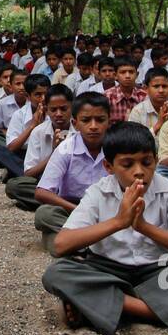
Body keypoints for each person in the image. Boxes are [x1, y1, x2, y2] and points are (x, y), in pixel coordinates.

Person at [42, 122, 168, 335]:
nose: (139, 171)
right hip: (105, 271)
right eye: (127, 164)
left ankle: (107, 306)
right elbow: (61, 244)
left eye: (146, 162)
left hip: (155, 272)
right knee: (57, 273)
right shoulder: (98, 192)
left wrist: (143, 227)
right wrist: (118, 222)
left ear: (156, 161)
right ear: (108, 167)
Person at [33, 93, 111, 254]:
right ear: (75, 124)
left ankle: (78, 243)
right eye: (86, 120)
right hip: (71, 207)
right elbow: (42, 192)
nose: (94, 126)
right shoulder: (66, 148)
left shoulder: (116, 148)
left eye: (100, 120)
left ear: (109, 121)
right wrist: (77, 209)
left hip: (106, 208)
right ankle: (95, 241)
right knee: (44, 214)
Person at [6, 84, 72, 211]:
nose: (58, 114)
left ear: (72, 108)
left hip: (74, 185)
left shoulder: (80, 131)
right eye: (53, 110)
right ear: (46, 110)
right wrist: (54, 153)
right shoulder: (38, 132)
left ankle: (52, 203)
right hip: (46, 185)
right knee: (15, 185)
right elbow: (29, 174)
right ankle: (61, 204)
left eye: (63, 109)